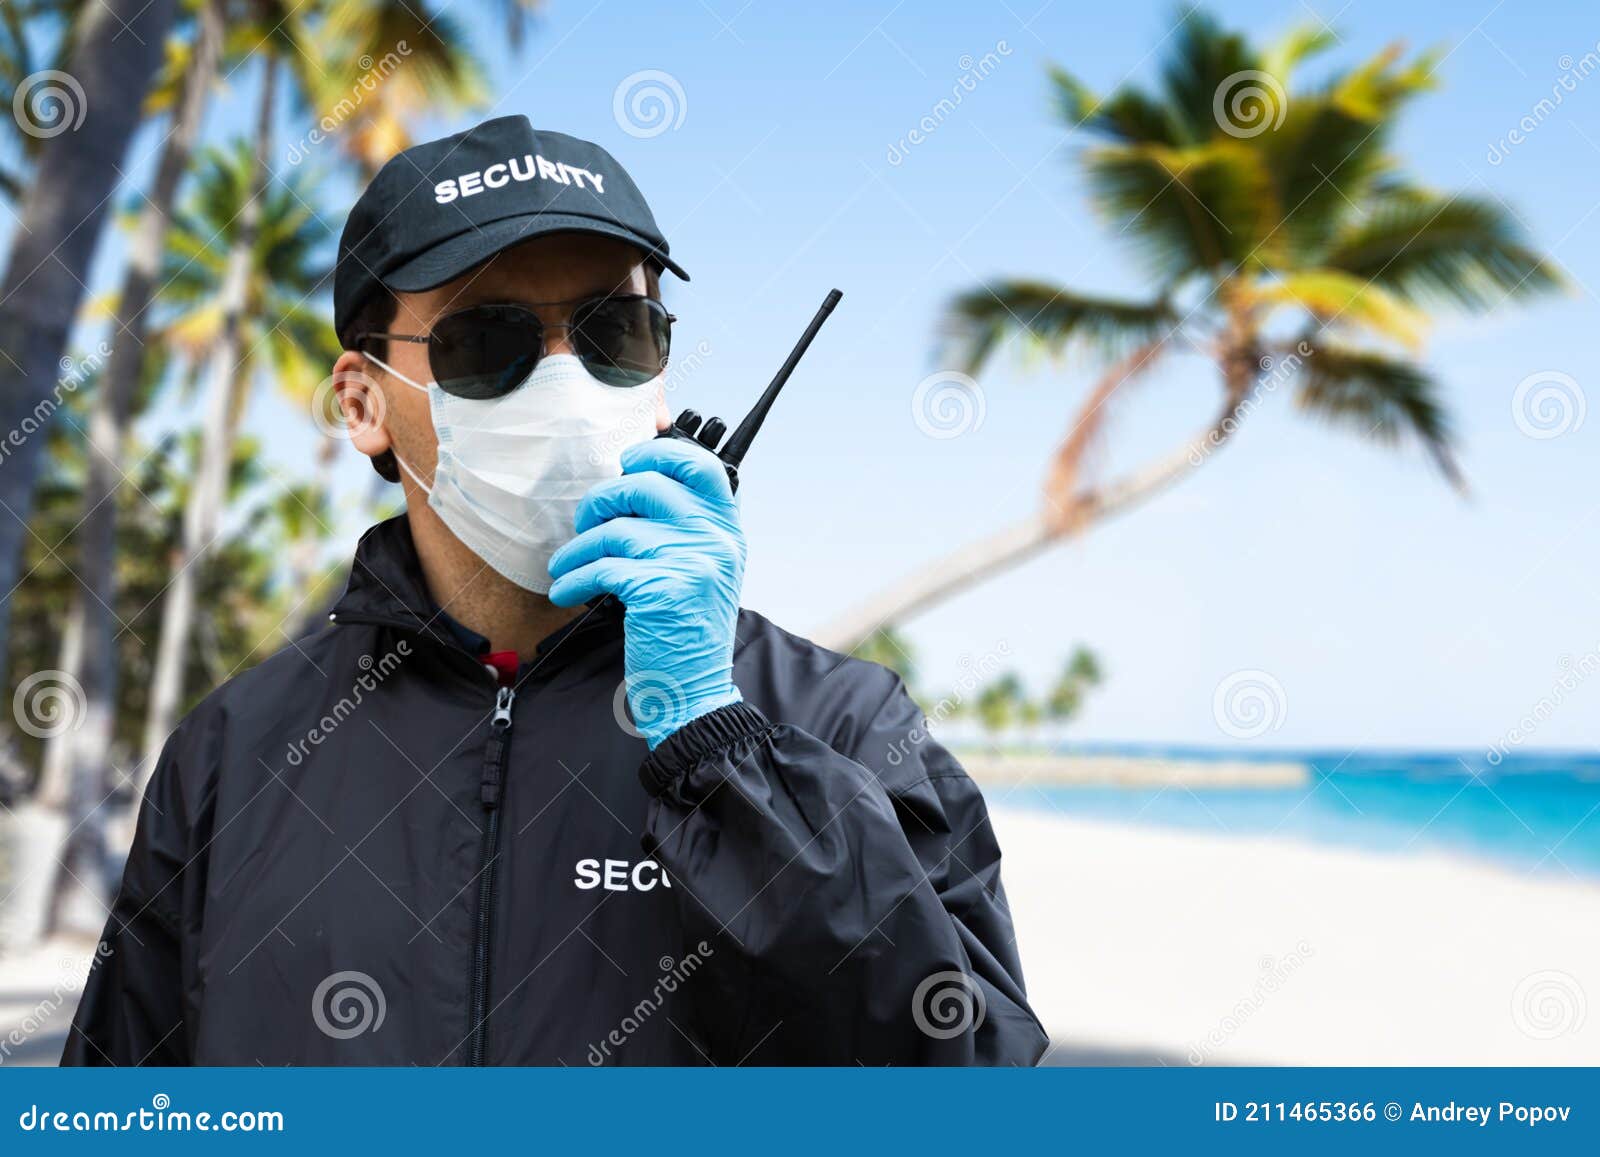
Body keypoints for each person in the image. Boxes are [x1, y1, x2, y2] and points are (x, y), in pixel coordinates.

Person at [63, 115, 1046, 1066]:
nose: (570, 384)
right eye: (488, 342)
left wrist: (720, 751)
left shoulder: (843, 726)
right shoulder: (235, 752)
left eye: (616, 330)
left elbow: (961, 1075)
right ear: (362, 401)